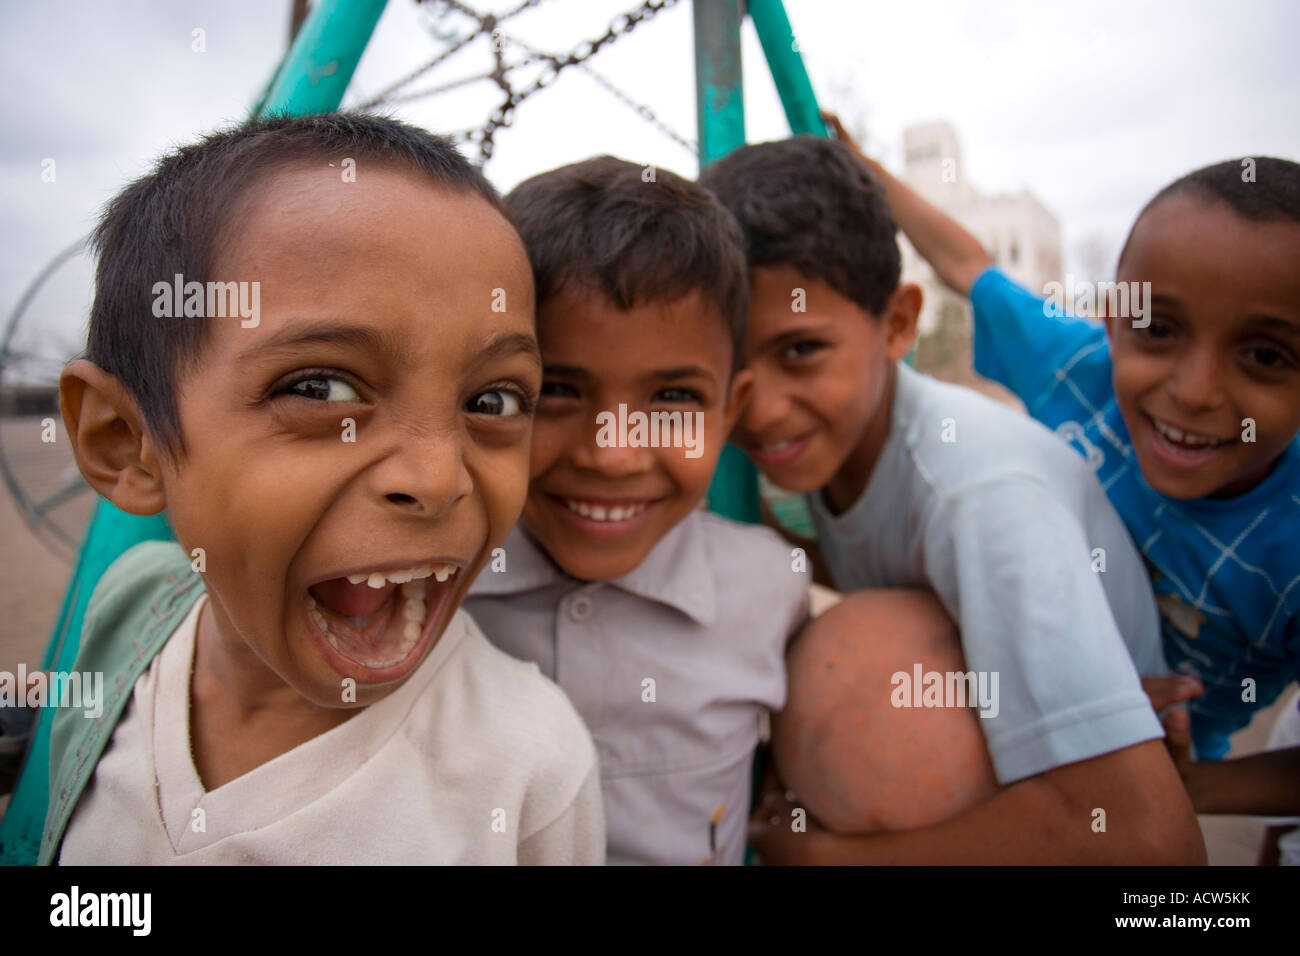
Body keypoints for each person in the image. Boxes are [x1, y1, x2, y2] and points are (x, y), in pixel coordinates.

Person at [42, 113, 603, 865]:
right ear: (127, 444)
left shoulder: (527, 765)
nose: (439, 480)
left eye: (492, 401)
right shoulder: (128, 609)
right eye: (320, 386)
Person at [700, 134, 1205, 864]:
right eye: (729, 366)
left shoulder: (979, 491)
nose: (761, 409)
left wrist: (832, 859)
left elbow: (1152, 841)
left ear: (898, 324)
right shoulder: (850, 448)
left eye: (801, 351)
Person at [827, 112, 1300, 778]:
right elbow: (970, 265)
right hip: (1024, 697)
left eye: (1265, 355)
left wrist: (1189, 787)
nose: (1195, 391)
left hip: (1163, 762)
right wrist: (870, 175)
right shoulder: (1080, 371)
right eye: (1158, 330)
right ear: (1112, 320)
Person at [465, 157, 809, 865]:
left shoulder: (769, 589)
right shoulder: (430, 587)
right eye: (557, 388)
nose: (614, 454)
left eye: (673, 400)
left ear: (729, 411)